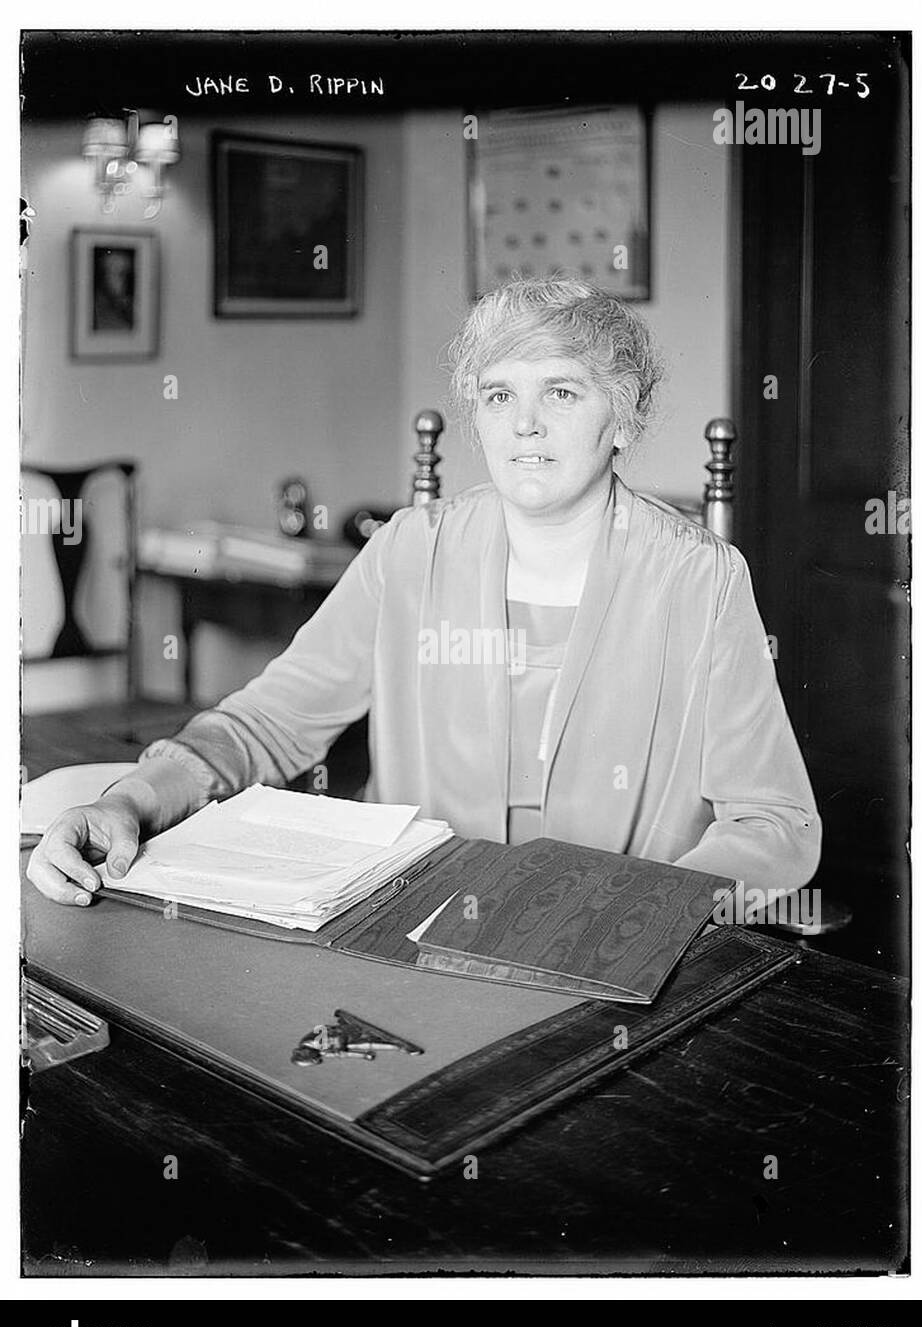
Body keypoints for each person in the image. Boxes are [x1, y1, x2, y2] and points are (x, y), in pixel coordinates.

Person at [27, 278, 821, 909]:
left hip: (611, 968)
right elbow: (265, 727)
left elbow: (774, 824)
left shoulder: (698, 579)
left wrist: (633, 913)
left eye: (564, 393)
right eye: (500, 395)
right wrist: (129, 801)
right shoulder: (411, 550)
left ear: (624, 417)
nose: (527, 426)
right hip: (405, 929)